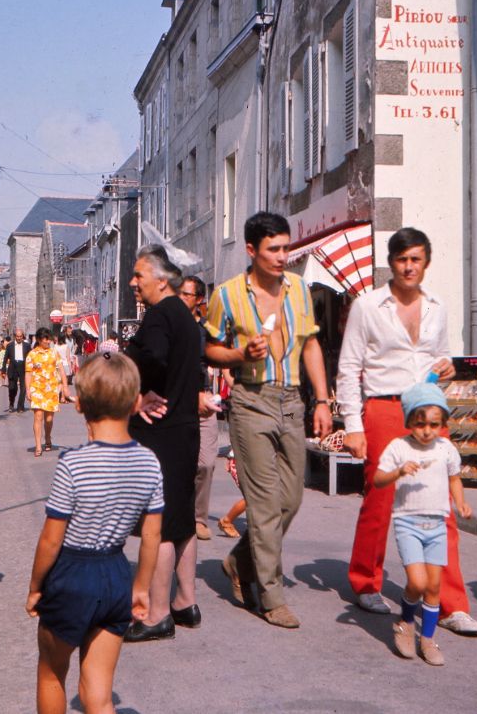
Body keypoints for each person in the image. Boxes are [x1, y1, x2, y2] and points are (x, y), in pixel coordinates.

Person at [336, 227, 477, 635]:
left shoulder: (437, 306)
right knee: (380, 498)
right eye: (402, 259)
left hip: (429, 408)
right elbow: (349, 368)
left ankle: (451, 604)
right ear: (391, 262)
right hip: (383, 406)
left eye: (416, 259)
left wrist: (447, 365)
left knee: (440, 505)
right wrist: (352, 425)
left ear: (426, 262)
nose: (409, 266)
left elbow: (440, 356)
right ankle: (365, 581)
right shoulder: (368, 306)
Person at [205, 212, 332, 628]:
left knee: (290, 499)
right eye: (273, 249)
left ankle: (239, 560)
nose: (282, 256)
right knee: (262, 503)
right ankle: (270, 594)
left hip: (293, 401)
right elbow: (211, 350)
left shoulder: (298, 289)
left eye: (286, 247)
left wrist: (323, 401)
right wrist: (241, 355)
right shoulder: (226, 294)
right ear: (251, 251)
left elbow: (310, 344)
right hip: (250, 401)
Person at [26, 353, 162, 714]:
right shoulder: (149, 462)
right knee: (98, 695)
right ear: (136, 403)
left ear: (79, 404)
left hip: (72, 574)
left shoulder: (72, 463)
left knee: (52, 673)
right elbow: (151, 537)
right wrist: (142, 588)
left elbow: (52, 539)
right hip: (116, 575)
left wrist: (36, 585)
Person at [123, 245, 202, 642]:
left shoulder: (158, 316)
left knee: (159, 527)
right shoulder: (184, 316)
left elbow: (152, 359)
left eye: (139, 276)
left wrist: (135, 396)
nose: (133, 283)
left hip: (160, 431)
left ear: (161, 279)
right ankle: (185, 601)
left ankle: (156, 614)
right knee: (182, 519)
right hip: (184, 427)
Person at [374, 383, 472, 666]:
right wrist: (398, 471)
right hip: (408, 523)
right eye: (420, 424)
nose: (427, 431)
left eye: (434, 425)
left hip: (437, 525)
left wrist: (460, 502)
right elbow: (378, 480)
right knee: (417, 582)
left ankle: (427, 638)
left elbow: (455, 478)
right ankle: (405, 622)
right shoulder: (399, 447)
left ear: (442, 424)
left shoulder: (446, 449)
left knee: (434, 587)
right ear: (409, 422)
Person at [179, 275, 222, 541]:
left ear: (198, 300)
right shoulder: (170, 328)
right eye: (179, 294)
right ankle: (182, 514)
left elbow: (222, 358)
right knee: (180, 463)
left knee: (206, 463)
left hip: (204, 400)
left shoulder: (206, 329)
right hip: (177, 401)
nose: (182, 299)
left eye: (187, 295)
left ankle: (199, 518)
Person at [26, 328, 71, 457]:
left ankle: (48, 437)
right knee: (38, 416)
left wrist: (65, 386)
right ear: (40, 340)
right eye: (46, 339)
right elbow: (28, 373)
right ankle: (38, 445)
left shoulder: (53, 353)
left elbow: (61, 370)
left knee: (49, 419)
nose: (49, 341)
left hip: (51, 388)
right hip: (37, 388)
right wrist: (28, 389)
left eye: (49, 339)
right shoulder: (32, 355)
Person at [3, 329, 31, 412]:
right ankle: (11, 403)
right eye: (17, 336)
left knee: (23, 388)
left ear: (23, 336)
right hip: (13, 367)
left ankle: (20, 407)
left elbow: (31, 357)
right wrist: (3, 370)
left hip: (23, 367)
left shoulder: (27, 345)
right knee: (12, 388)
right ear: (15, 336)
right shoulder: (10, 345)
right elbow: (5, 358)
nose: (19, 338)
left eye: (20, 336)